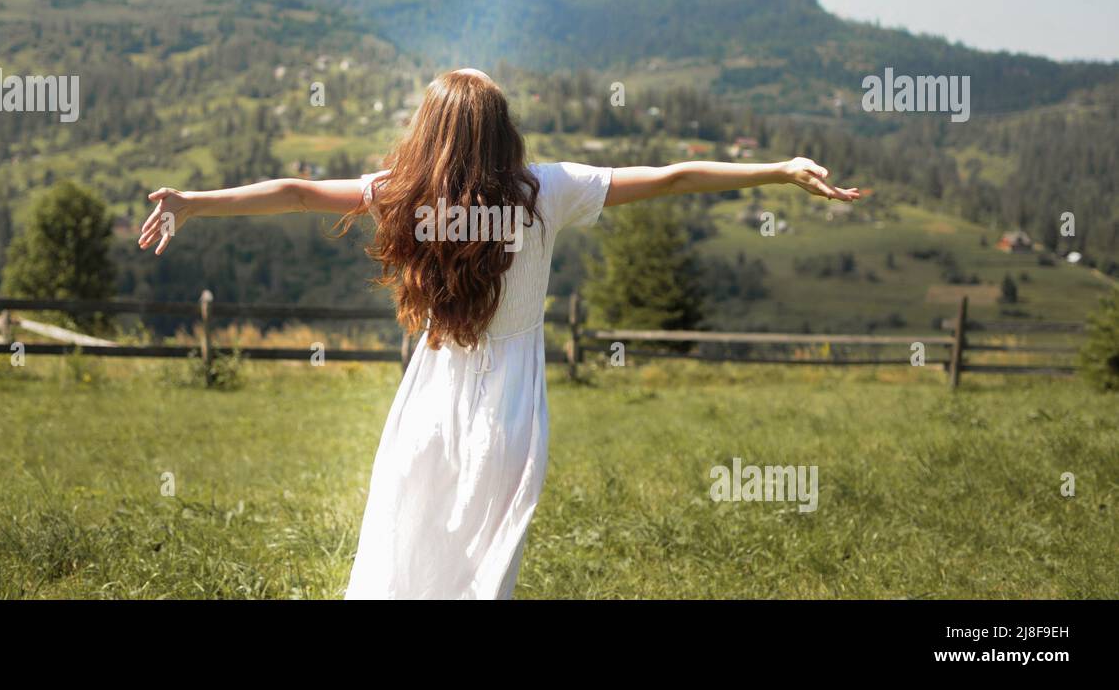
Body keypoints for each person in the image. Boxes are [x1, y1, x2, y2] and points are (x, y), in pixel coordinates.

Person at [136, 68, 859, 599]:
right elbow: (670, 177)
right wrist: (777, 170)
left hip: (431, 398)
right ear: (500, 130)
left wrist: (194, 202)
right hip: (511, 411)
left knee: (407, 546)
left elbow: (294, 193)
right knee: (485, 572)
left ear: (432, 133)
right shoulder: (546, 189)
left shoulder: (404, 193)